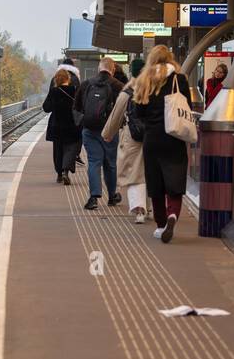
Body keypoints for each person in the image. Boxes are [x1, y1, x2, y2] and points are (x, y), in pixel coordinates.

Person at [131, 44, 191, 243]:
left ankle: (160, 224)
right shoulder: (179, 79)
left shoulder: (144, 79)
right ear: (170, 58)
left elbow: (138, 112)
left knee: (155, 183)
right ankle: (173, 214)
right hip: (174, 137)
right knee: (175, 179)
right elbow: (187, 107)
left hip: (152, 138)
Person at [101, 56, 147, 221]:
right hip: (152, 136)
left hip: (132, 136)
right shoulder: (155, 88)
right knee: (150, 172)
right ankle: (152, 207)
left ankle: (139, 209)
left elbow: (116, 115)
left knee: (133, 172)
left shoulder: (128, 91)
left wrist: (107, 134)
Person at [74, 55, 121, 212]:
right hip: (110, 130)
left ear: (99, 68)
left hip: (89, 129)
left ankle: (94, 198)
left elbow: (76, 107)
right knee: (110, 163)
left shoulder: (86, 84)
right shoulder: (117, 85)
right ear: (112, 69)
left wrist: (83, 123)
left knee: (94, 162)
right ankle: (112, 196)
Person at [42, 68, 81, 183]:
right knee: (70, 148)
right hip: (72, 125)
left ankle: (59, 173)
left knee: (58, 150)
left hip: (57, 125)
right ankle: (66, 171)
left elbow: (46, 108)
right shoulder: (75, 90)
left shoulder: (54, 91)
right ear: (68, 79)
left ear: (57, 80)